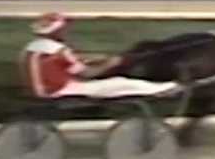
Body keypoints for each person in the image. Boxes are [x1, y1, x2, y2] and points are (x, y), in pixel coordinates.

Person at [21, 12, 180, 99]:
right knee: (121, 82)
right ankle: (163, 88)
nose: (66, 31)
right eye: (64, 28)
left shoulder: (31, 48)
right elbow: (88, 73)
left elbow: (65, 62)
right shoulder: (60, 51)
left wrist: (95, 58)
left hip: (38, 91)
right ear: (56, 31)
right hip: (62, 90)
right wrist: (111, 63)